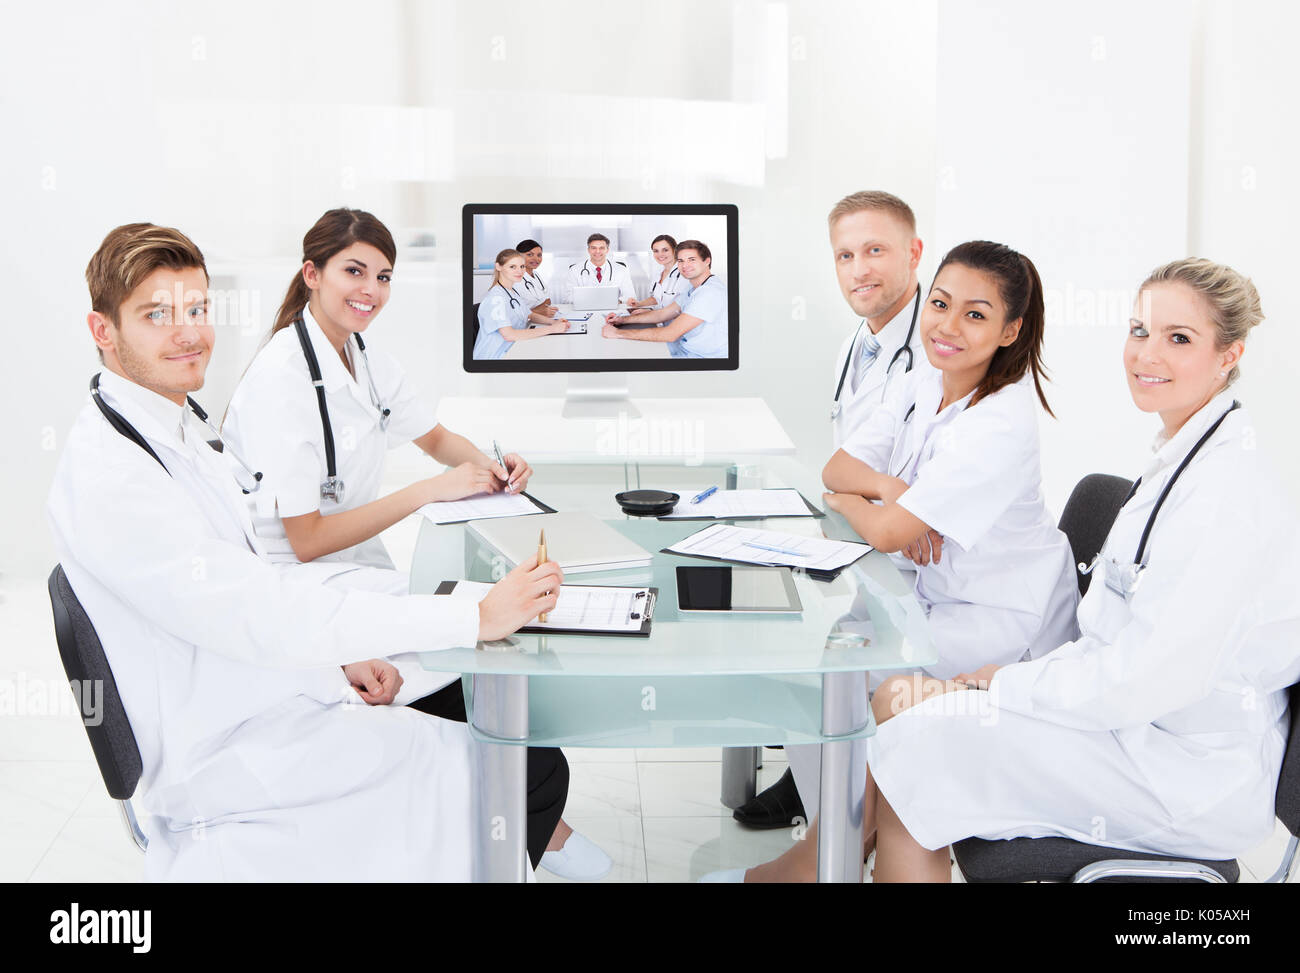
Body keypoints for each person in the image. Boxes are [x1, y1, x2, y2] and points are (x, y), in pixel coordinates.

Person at [751, 257, 1300, 882]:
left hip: (1184, 774)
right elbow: (1111, 641)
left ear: (1229, 354)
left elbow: (1140, 679)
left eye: (1180, 339)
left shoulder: (1226, 494)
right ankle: (819, 865)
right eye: (1140, 331)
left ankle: (809, 870)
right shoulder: (1179, 459)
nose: (1147, 354)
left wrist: (1005, 685)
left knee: (923, 745)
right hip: (1129, 724)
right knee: (900, 702)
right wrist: (1006, 681)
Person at [47, 222, 564, 881]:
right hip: (226, 755)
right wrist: (474, 617)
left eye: (198, 310)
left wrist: (338, 659)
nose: (189, 333)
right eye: (158, 315)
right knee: (514, 770)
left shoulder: (170, 428)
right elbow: (257, 603)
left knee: (514, 751)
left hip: (262, 682)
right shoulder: (115, 478)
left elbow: (245, 589)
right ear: (103, 331)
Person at [223, 208, 611, 881]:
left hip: (359, 586)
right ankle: (525, 845)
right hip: (303, 603)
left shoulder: (362, 356)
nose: (370, 288)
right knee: (528, 744)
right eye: (353, 271)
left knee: (511, 685)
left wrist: (493, 465)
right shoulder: (280, 380)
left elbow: (434, 438)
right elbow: (307, 540)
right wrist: (429, 492)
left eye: (383, 275)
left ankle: (540, 835)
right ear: (311, 273)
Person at [706, 241, 1080, 882]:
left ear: (1010, 330)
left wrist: (870, 504)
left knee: (852, 685)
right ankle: (833, 849)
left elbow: (882, 532)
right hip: (931, 595)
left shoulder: (1000, 423)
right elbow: (838, 470)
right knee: (821, 669)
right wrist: (891, 492)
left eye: (976, 314)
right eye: (940, 304)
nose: (948, 325)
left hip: (1000, 620)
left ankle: (830, 855)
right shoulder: (923, 380)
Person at [736, 190, 934, 830]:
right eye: (845, 255)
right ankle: (832, 817)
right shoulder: (868, 338)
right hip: (873, 550)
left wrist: (855, 492)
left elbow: (900, 496)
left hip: (925, 573)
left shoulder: (936, 348)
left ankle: (838, 837)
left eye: (875, 250)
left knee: (814, 670)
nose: (859, 269)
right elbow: (845, 474)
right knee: (798, 648)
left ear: (914, 253)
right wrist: (848, 493)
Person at [601, 240, 728, 358]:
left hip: (701, 356)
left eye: (691, 259)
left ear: (707, 261)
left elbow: (670, 334)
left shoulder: (710, 292)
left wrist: (618, 333)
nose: (685, 265)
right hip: (683, 345)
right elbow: (663, 313)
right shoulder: (693, 287)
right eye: (681, 261)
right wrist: (622, 320)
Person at [474, 248, 570, 360]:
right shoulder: (495, 298)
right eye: (512, 267)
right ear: (498, 267)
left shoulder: (511, 292)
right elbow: (509, 335)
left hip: (514, 347)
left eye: (522, 266)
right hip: (496, 356)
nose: (519, 271)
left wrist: (553, 322)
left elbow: (529, 315)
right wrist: (552, 329)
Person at [625, 234, 692, 312]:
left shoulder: (684, 274)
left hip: (675, 321)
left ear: (675, 250)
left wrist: (649, 312)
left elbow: (680, 307)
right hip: (659, 320)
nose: (660, 254)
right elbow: (657, 299)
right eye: (656, 251)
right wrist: (638, 304)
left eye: (665, 250)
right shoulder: (658, 272)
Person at [565, 232, 636, 305]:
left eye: (601, 248)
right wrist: (593, 301)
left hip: (613, 311)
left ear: (607, 250)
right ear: (588, 250)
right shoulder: (574, 270)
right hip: (585, 310)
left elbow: (630, 296)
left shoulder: (621, 270)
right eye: (593, 248)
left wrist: (617, 301)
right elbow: (568, 298)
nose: (597, 251)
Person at [513, 237, 557, 316]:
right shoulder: (513, 280)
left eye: (539, 255)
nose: (536, 259)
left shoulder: (536, 274)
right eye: (530, 255)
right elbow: (515, 313)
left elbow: (548, 300)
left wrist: (539, 308)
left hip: (538, 318)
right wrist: (538, 310)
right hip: (523, 324)